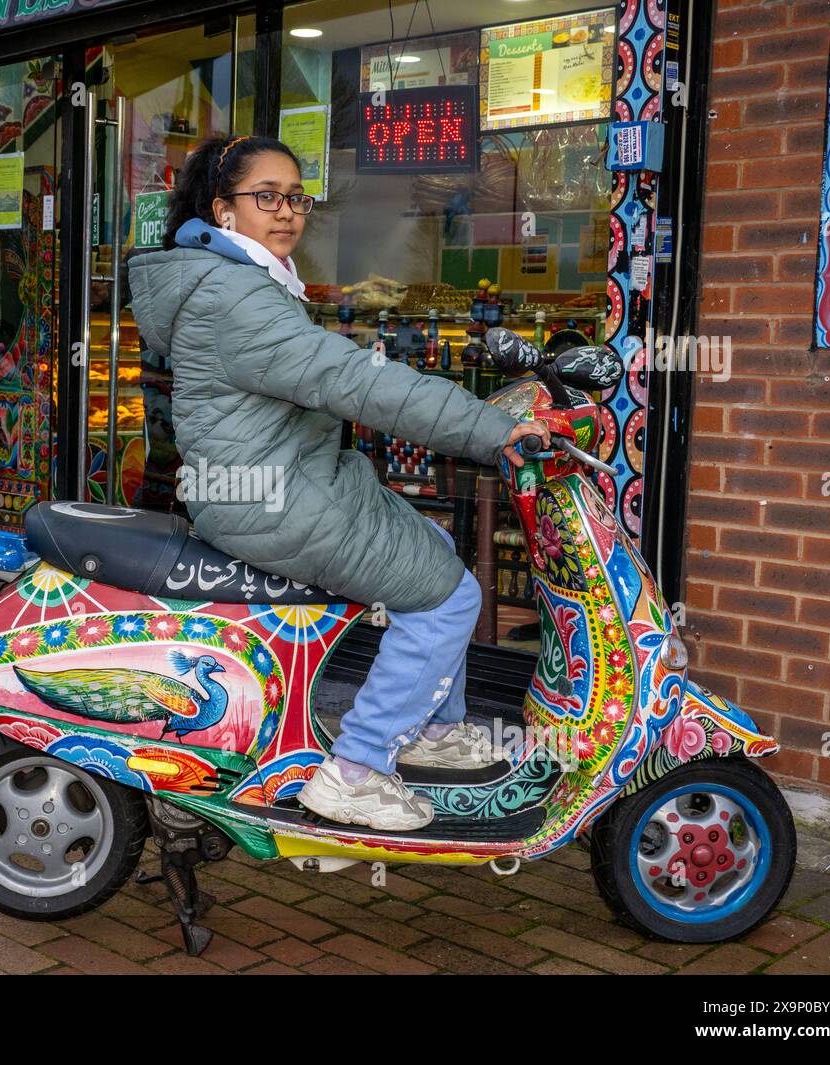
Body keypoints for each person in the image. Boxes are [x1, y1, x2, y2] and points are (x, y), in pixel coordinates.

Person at [127, 136, 549, 831]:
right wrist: (490, 431)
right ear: (220, 208)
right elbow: (354, 381)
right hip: (275, 497)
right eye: (266, 196)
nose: (287, 211)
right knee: (447, 600)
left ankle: (433, 733)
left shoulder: (237, 278)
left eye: (296, 197)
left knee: (439, 565)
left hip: (288, 480)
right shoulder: (235, 294)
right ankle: (356, 769)